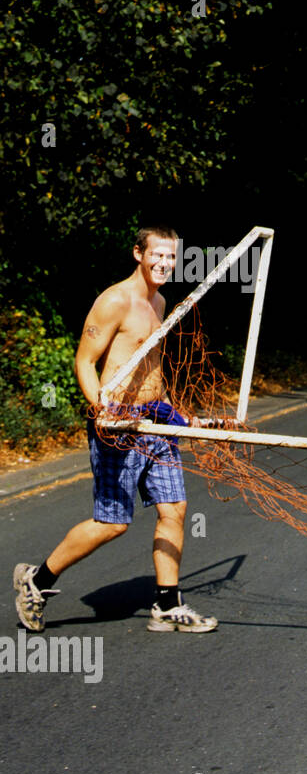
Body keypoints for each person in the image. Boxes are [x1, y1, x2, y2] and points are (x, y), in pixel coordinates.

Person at [13, 227, 217, 634]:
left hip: (155, 420)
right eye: (157, 255)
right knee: (112, 523)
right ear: (138, 253)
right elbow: (84, 362)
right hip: (118, 425)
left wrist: (179, 416)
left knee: (173, 509)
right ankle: (37, 581)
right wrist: (101, 408)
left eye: (172, 258)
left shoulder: (158, 301)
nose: (165, 264)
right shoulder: (114, 301)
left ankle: (167, 605)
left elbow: (150, 371)